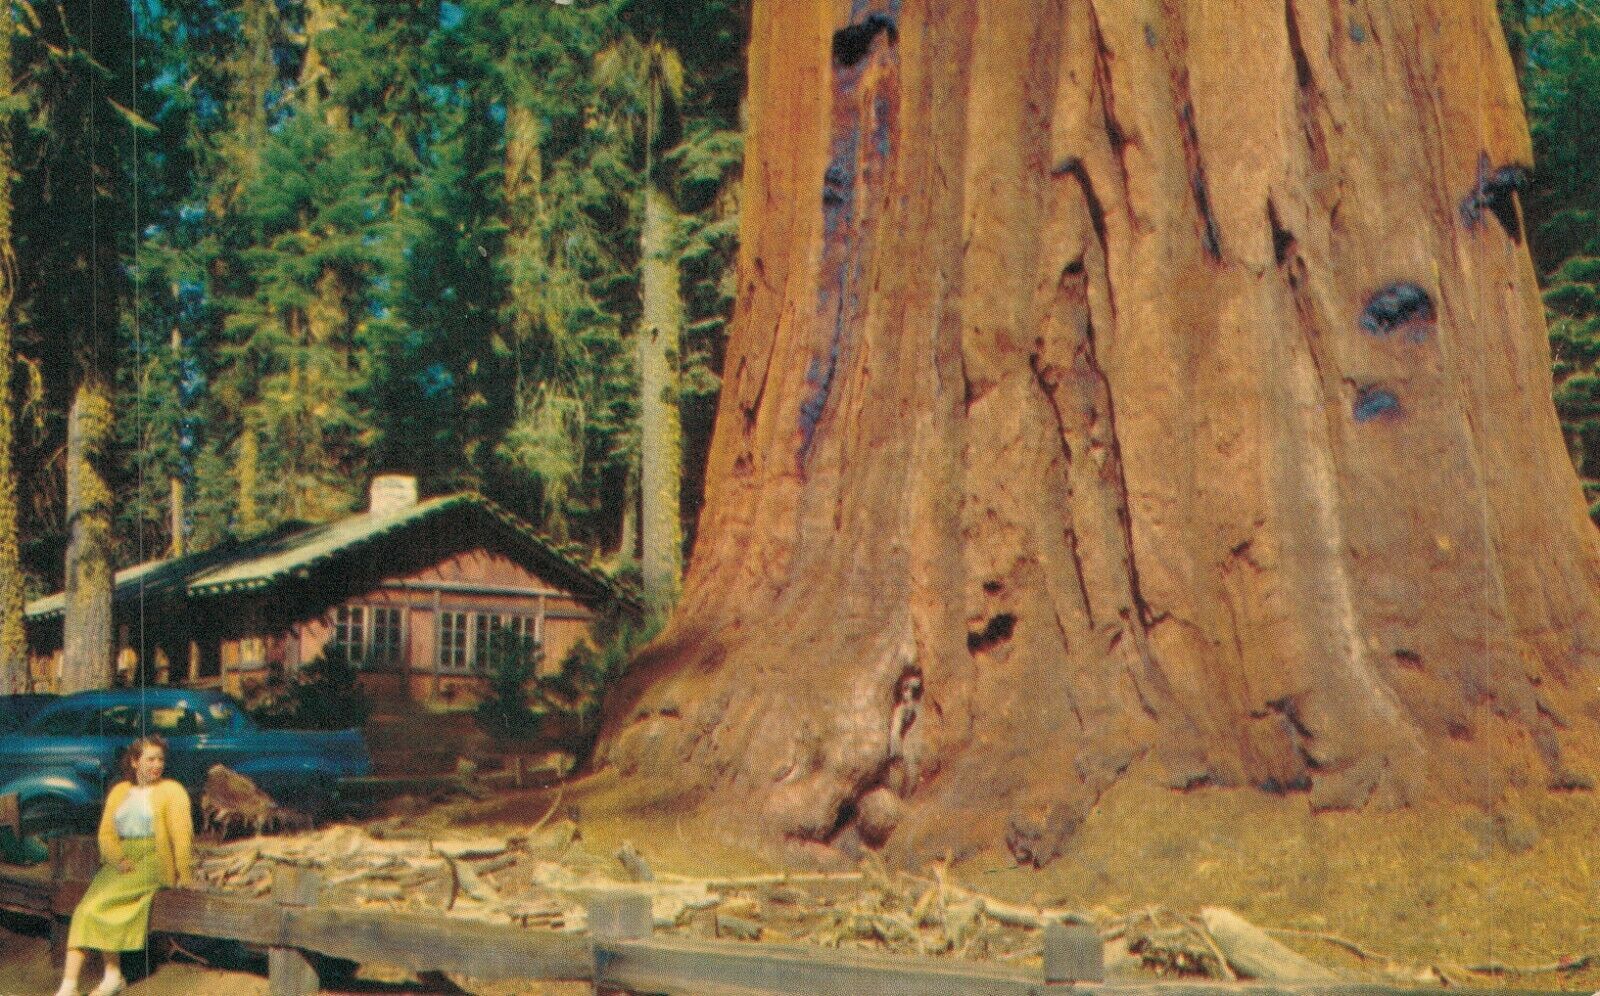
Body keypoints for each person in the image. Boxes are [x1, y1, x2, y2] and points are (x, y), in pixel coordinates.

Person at [53, 735, 194, 996]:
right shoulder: (119, 791)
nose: (157, 765)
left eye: (160, 759)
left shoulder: (172, 790)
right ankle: (74, 985)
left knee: (99, 905)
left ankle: (109, 979)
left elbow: (182, 836)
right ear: (134, 761)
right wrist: (118, 859)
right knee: (85, 909)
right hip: (120, 860)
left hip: (154, 859)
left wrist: (184, 874)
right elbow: (106, 834)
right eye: (150, 759)